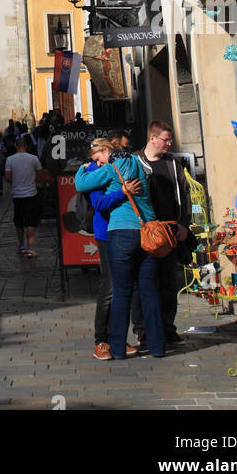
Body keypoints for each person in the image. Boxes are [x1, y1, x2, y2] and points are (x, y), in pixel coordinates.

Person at [75, 145, 166, 359]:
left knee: (122, 292)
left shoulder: (110, 171)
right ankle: (157, 346)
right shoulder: (141, 169)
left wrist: (83, 167)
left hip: (121, 233)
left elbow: (81, 184)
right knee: (149, 291)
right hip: (147, 233)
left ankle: (117, 347)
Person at [134, 121, 192, 347]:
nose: (169, 143)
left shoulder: (172, 164)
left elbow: (184, 193)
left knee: (169, 282)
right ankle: (143, 329)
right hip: (146, 232)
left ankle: (168, 327)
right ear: (152, 138)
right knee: (144, 282)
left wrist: (184, 223)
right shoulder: (135, 162)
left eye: (170, 140)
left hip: (170, 231)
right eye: (166, 139)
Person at [82, 138, 141, 361]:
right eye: (95, 160)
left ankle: (117, 339)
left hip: (124, 229)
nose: (97, 163)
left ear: (108, 151)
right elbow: (98, 203)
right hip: (106, 233)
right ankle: (101, 340)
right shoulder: (93, 172)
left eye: (98, 158)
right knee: (109, 288)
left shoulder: (122, 164)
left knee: (123, 287)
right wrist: (123, 193)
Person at [5, 134, 43, 257]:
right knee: (30, 222)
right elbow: (40, 175)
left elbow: (7, 177)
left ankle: (21, 246)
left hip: (17, 195)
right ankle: (30, 248)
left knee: (19, 222)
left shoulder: (10, 159)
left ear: (16, 146)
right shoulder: (34, 158)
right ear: (26, 146)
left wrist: (15, 181)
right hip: (31, 193)